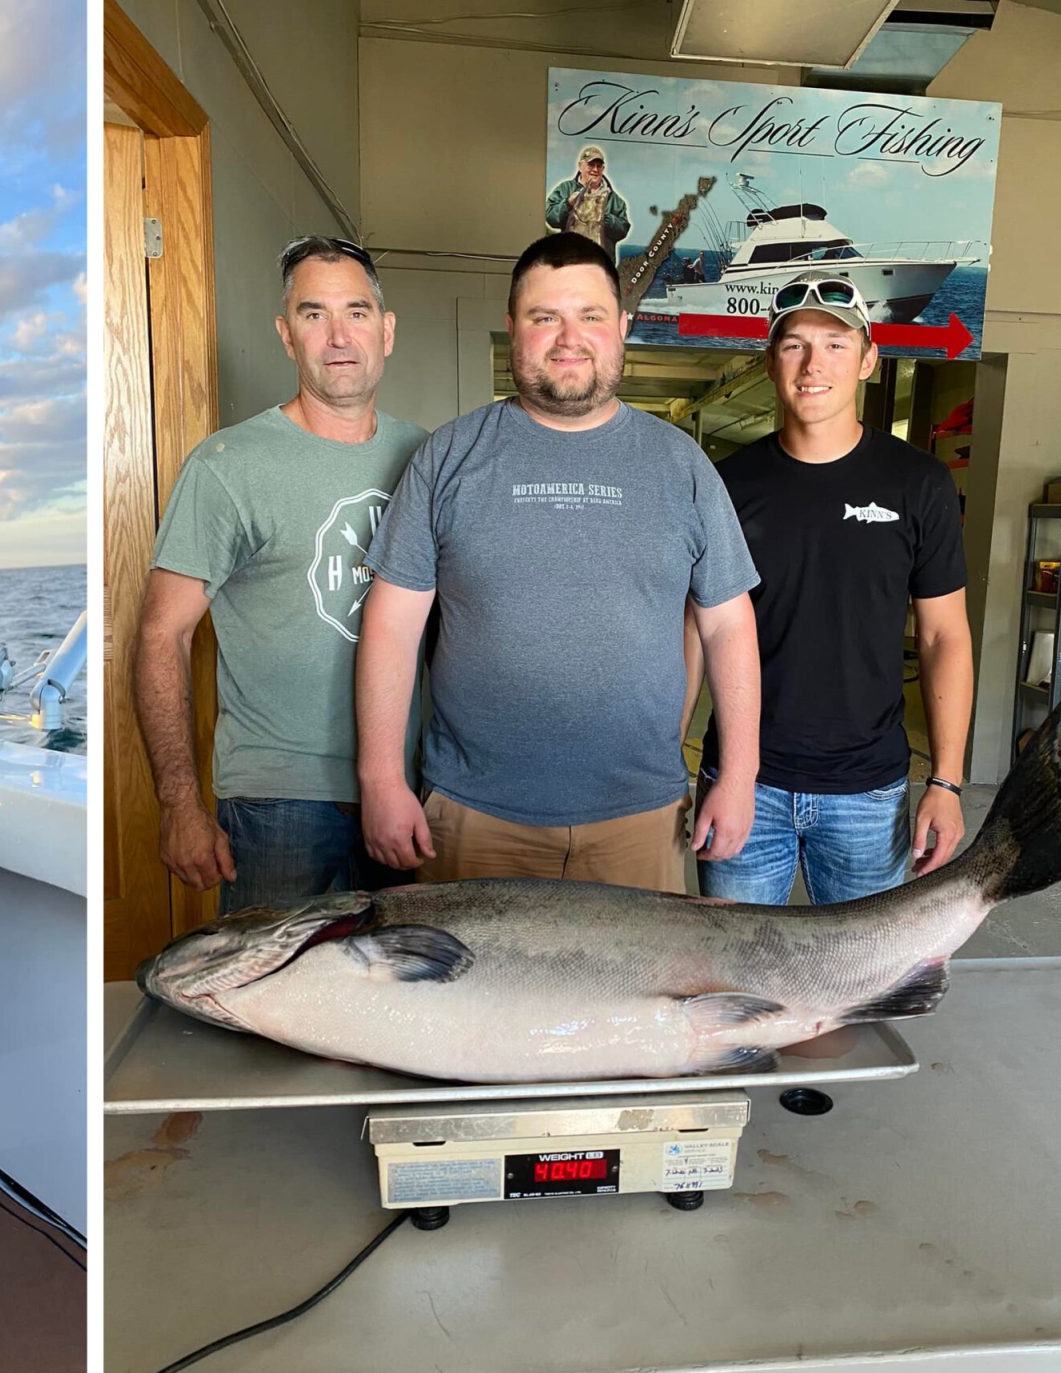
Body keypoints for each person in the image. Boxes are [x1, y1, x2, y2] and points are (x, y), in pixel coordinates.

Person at [356, 232, 761, 893]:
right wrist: (379, 781)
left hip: (640, 817)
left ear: (622, 327)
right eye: (544, 317)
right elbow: (392, 625)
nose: (568, 338)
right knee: (469, 995)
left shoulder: (680, 464)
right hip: (472, 814)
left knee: (634, 996)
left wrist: (738, 776)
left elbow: (727, 626)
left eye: (590, 316)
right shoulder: (447, 456)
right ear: (512, 327)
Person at [135, 236, 429, 912]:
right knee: (261, 1007)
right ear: (284, 333)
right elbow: (160, 636)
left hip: (407, 791)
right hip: (278, 805)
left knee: (395, 999)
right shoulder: (228, 465)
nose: (336, 336)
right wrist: (179, 803)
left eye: (356, 312)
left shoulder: (426, 457)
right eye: (312, 314)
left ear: (386, 332)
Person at [688, 271, 972, 904]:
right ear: (770, 361)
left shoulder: (918, 484)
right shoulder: (725, 485)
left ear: (869, 360)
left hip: (868, 792)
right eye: (794, 345)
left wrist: (947, 782)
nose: (814, 363)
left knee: (857, 991)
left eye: (837, 344)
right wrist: (663, 774)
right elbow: (692, 633)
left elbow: (943, 635)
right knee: (734, 991)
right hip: (743, 782)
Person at [545, 146, 630, 261]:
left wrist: (605, 219)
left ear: (603, 168)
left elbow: (623, 230)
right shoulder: (565, 189)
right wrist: (568, 203)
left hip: (601, 266)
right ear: (580, 166)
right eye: (590, 165)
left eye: (598, 166)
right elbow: (551, 218)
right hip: (570, 263)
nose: (595, 169)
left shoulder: (615, 200)